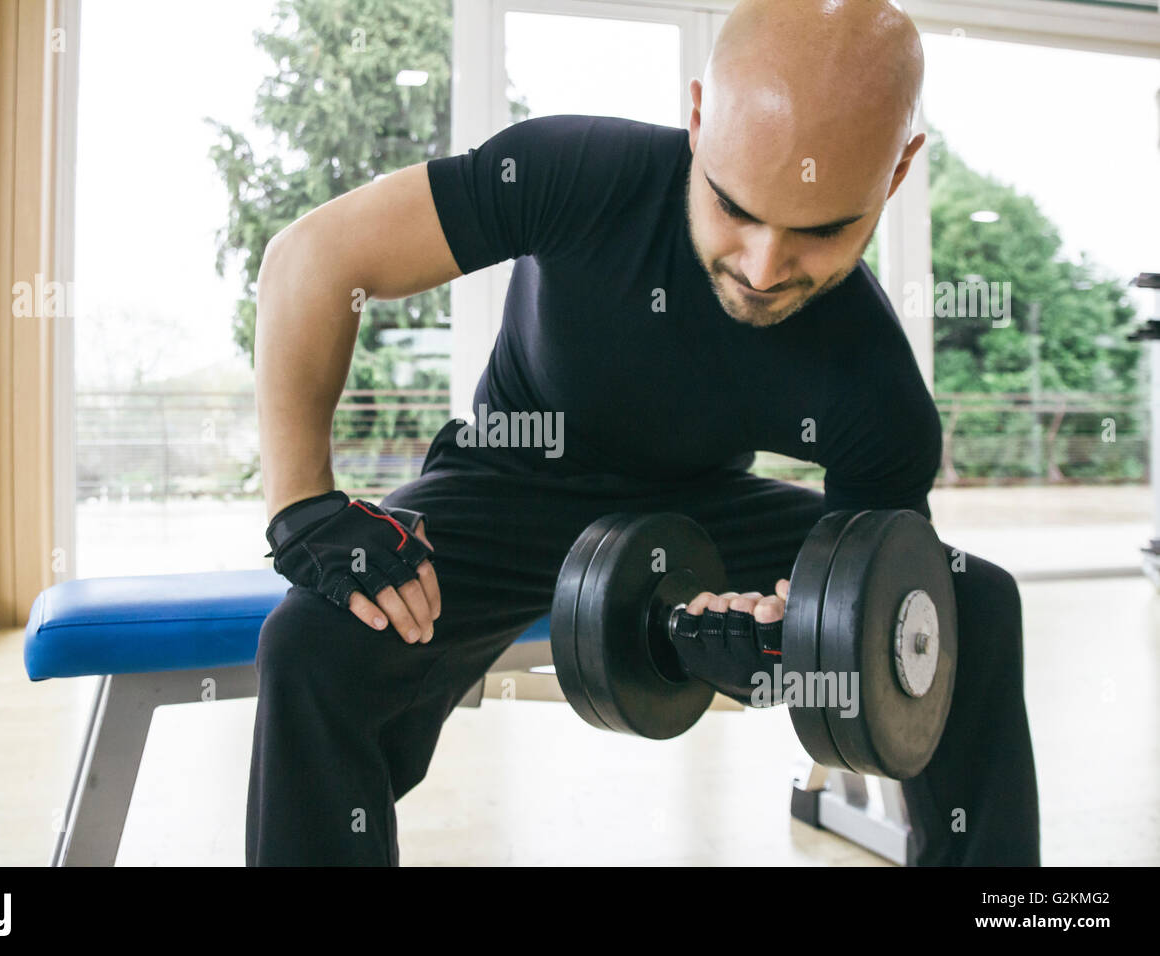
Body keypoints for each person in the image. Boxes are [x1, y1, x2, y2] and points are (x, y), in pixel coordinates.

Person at [246, 0, 1040, 866]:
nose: (763, 267)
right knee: (312, 644)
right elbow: (311, 259)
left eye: (822, 230)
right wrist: (303, 509)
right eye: (736, 207)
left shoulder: (876, 390)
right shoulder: (575, 173)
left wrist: (784, 638)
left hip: (702, 515)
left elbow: (884, 611)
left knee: (969, 605)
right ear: (699, 120)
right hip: (509, 487)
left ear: (895, 175)